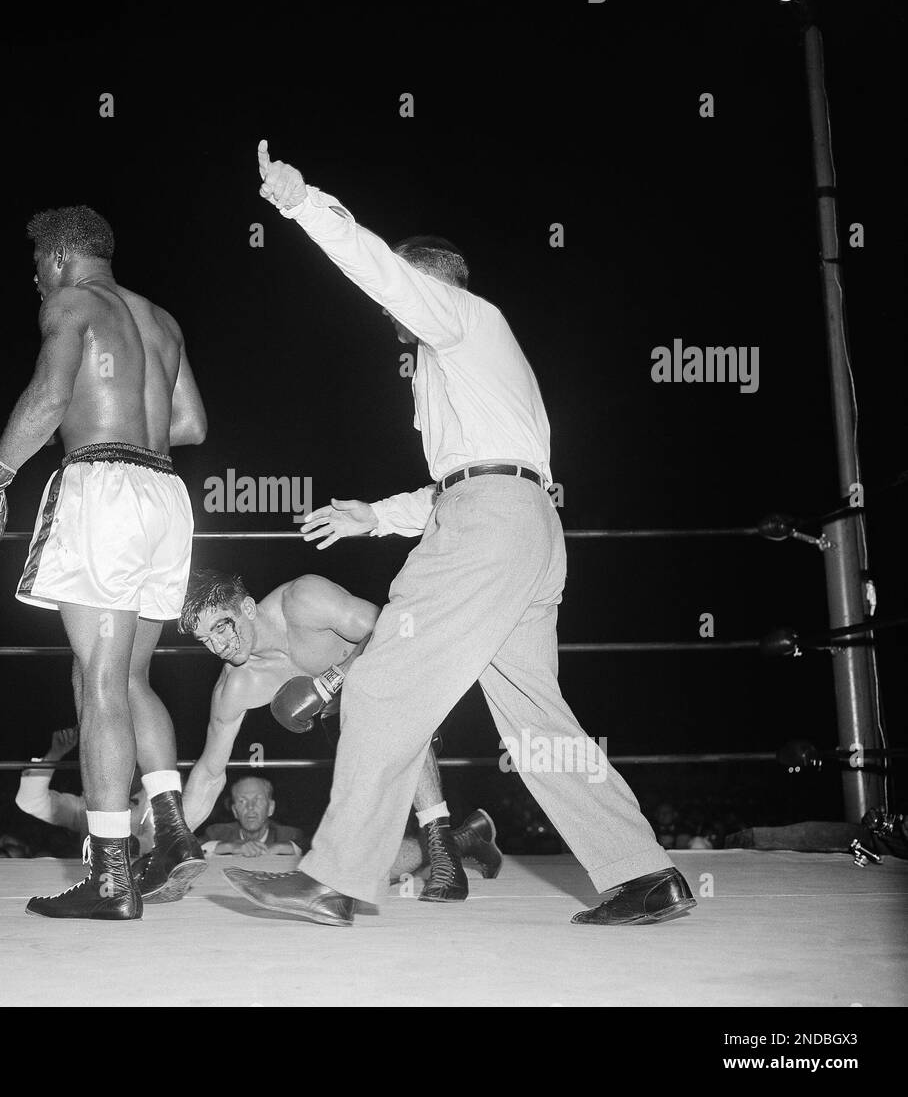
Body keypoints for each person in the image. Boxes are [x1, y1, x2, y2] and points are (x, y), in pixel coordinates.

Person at [224, 142, 693, 927]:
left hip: (489, 529)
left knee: (379, 680)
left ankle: (336, 876)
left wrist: (303, 204)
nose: (387, 314)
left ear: (426, 284)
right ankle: (645, 873)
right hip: (525, 526)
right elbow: (469, 479)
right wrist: (376, 514)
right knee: (538, 721)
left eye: (399, 296)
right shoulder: (471, 362)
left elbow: (379, 273)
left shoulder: (463, 319)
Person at [0, 205, 207, 921]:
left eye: (37, 265)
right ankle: (173, 830)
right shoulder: (160, 319)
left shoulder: (71, 302)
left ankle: (111, 876)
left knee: (95, 679)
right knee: (127, 675)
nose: (35, 281)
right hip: (165, 496)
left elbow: (50, 394)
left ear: (60, 258)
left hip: (105, 488)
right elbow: (190, 425)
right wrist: (129, 413)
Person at [180, 569, 502, 896]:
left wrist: (331, 680)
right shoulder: (237, 685)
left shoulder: (303, 600)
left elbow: (394, 628)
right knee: (359, 870)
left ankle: (442, 848)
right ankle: (463, 839)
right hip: (349, 722)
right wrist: (170, 843)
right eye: (205, 640)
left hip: (404, 674)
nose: (217, 646)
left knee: (376, 701)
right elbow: (208, 774)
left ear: (247, 608)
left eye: (220, 627)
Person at [15, 727, 155, 856]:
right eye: (110, 762)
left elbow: (157, 841)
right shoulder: (88, 804)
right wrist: (54, 754)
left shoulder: (155, 800)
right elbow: (30, 801)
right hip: (93, 880)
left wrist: (129, 844)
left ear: (143, 767)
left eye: (127, 762)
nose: (116, 769)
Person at [201, 777, 304, 857]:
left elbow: (309, 848)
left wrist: (281, 847)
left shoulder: (289, 835)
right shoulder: (216, 833)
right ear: (235, 811)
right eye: (242, 801)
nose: (250, 807)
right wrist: (230, 847)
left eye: (258, 800)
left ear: (270, 808)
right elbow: (190, 849)